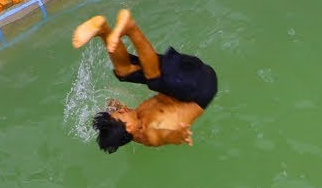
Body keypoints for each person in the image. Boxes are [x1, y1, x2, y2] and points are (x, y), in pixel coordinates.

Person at [71, 9, 218, 152]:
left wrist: (109, 115)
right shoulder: (151, 134)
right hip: (202, 86)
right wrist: (179, 135)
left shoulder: (133, 120)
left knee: (124, 72)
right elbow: (166, 135)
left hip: (180, 82)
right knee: (154, 80)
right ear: (128, 128)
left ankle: (103, 30)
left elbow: (113, 103)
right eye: (120, 113)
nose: (121, 109)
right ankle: (130, 27)